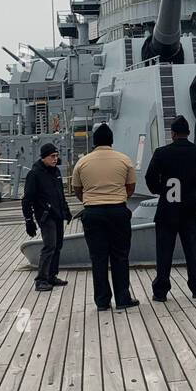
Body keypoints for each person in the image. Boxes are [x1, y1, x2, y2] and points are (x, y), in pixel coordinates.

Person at [143, 115, 196, 301]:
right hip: (190, 210)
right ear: (189, 133)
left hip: (167, 210)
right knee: (192, 251)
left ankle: (161, 290)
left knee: (164, 252)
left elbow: (150, 179)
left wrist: (163, 191)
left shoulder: (161, 153)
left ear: (172, 134)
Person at [71, 123, 139, 312]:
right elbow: (131, 186)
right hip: (118, 211)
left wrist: (91, 199)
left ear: (94, 142)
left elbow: (78, 189)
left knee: (98, 258)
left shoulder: (82, 163)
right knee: (120, 256)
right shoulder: (124, 160)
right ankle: (123, 298)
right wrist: (118, 197)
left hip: (93, 213)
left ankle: (102, 301)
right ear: (111, 140)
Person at [22, 142, 71, 291]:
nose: (55, 159)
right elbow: (27, 199)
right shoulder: (35, 174)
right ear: (44, 157)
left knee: (58, 246)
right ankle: (41, 279)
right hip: (45, 215)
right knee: (49, 246)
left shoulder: (55, 172)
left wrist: (66, 211)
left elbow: (60, 194)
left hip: (57, 214)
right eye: (52, 156)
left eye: (56, 156)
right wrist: (29, 220)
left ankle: (51, 276)